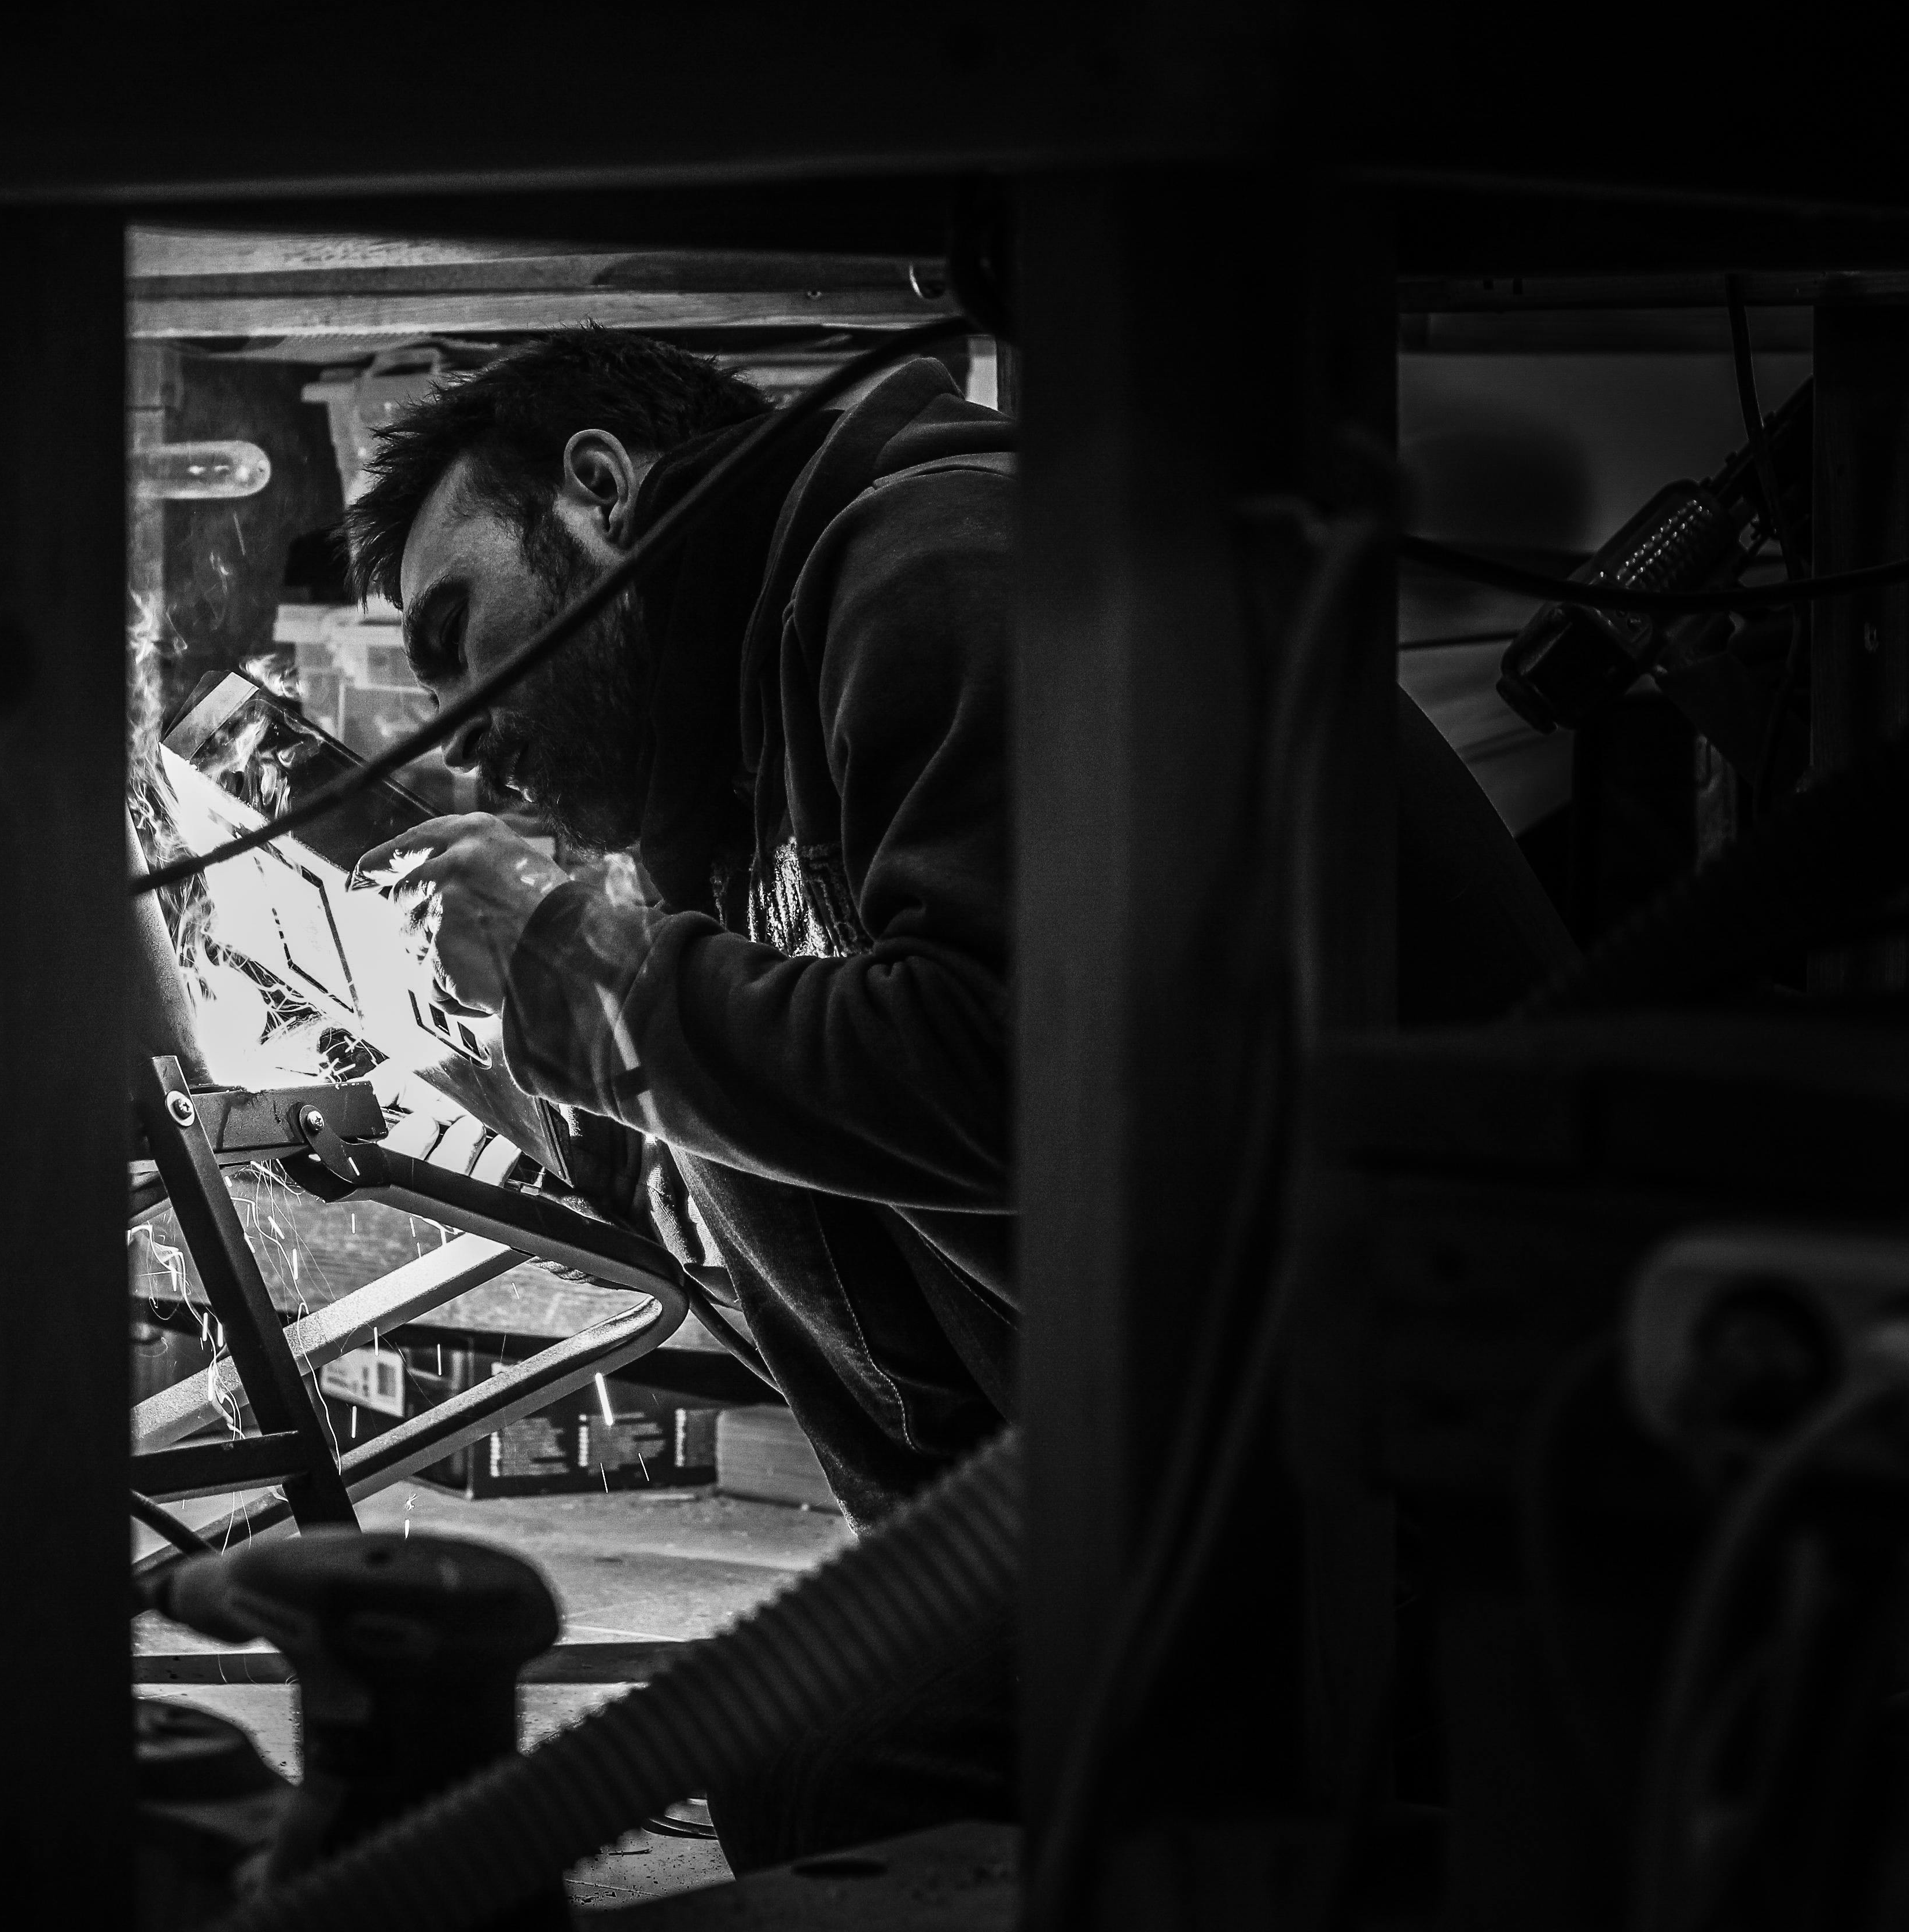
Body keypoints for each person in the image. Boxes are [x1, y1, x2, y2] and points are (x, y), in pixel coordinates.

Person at [345, 329, 1572, 1864]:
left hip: (1413, 1474)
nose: (460, 733)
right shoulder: (740, 757)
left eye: (466, 634)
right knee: (786, 1750)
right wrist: (536, 1058)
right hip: (1185, 1467)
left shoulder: (936, 564)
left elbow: (1029, 1072)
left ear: (600, 489)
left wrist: (590, 984)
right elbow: (809, 1158)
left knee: (837, 1775)